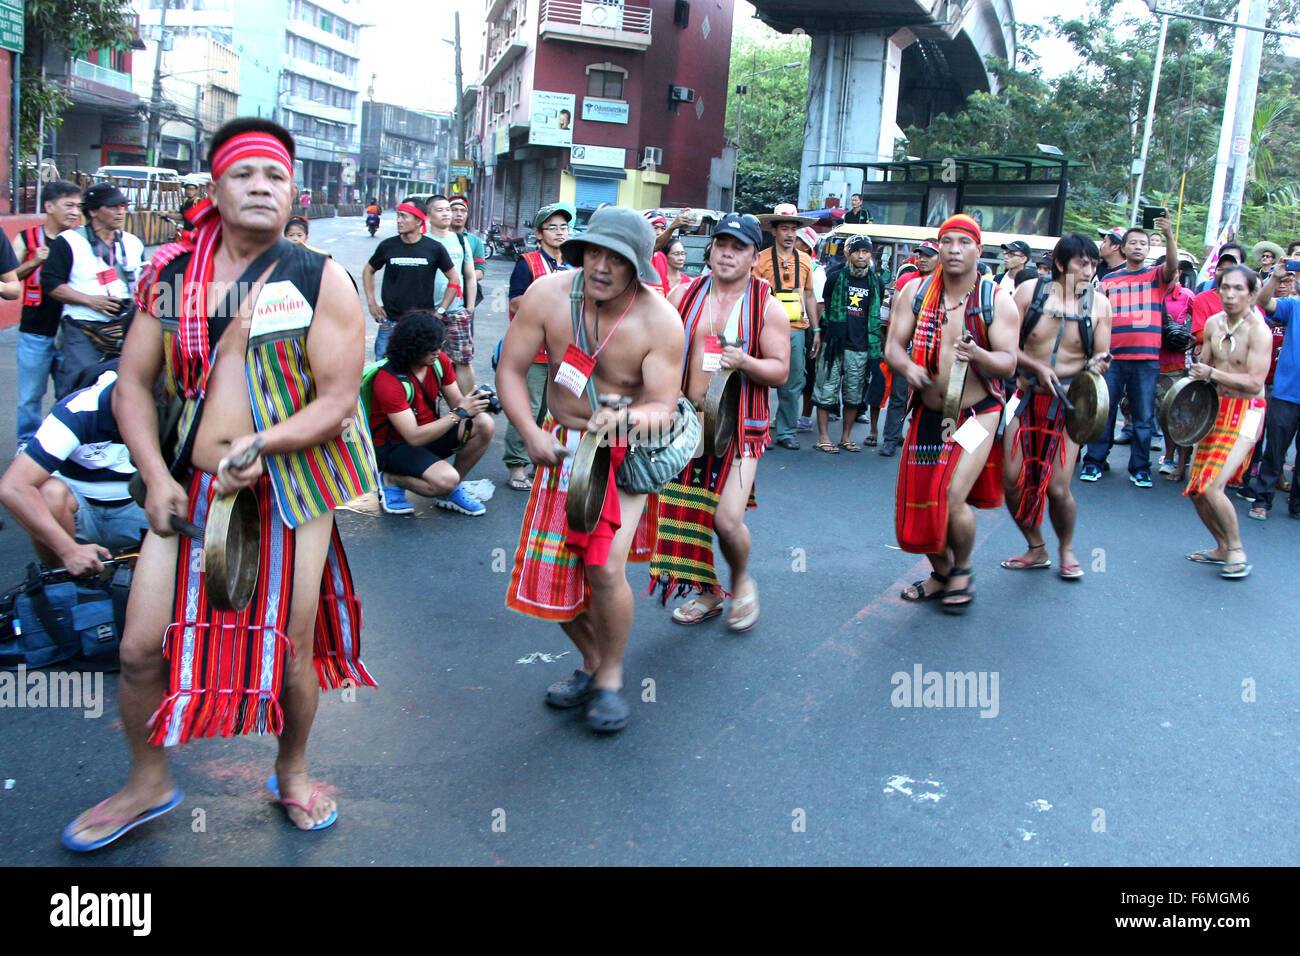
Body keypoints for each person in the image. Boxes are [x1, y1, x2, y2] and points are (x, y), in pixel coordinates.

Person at [60, 118, 380, 851]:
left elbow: (336, 402)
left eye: (276, 176)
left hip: (290, 491)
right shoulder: (174, 278)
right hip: (189, 486)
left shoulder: (316, 276)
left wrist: (267, 443)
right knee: (141, 647)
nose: (262, 187)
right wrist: (151, 476)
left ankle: (292, 772)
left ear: (294, 192)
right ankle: (148, 781)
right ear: (216, 190)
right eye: (245, 175)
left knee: (293, 647)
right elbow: (132, 386)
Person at [498, 205, 684, 734]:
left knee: (604, 569)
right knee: (553, 576)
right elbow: (510, 370)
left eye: (616, 258)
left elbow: (662, 407)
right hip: (561, 444)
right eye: (593, 252)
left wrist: (622, 418)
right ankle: (591, 661)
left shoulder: (659, 320)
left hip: (624, 451)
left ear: (639, 266)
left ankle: (610, 679)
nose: (601, 266)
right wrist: (532, 434)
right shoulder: (548, 295)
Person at [652, 213, 789, 630]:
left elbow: (780, 370)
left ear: (753, 256)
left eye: (739, 247)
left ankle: (741, 579)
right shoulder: (684, 293)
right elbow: (664, 351)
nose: (727, 253)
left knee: (726, 519)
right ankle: (708, 591)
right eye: (722, 245)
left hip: (741, 429)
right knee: (683, 516)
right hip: (687, 423)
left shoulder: (768, 306)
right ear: (710, 250)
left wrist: (745, 361)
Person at [885, 214, 1018, 613]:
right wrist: (907, 367)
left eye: (964, 242)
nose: (954, 249)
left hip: (978, 415)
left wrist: (978, 354)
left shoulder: (996, 300)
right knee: (917, 502)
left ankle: (962, 569)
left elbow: (1009, 364)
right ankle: (940, 572)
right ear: (938, 247)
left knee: (949, 495)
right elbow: (893, 346)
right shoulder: (915, 291)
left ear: (979, 249)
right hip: (928, 413)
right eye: (947, 242)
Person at [1001, 234, 1113, 580]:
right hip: (1025, 398)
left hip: (1069, 405)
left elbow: (1101, 356)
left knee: (1058, 488)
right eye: (1083, 263)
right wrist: (1036, 368)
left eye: (1094, 264)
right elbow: (1005, 346)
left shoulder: (1100, 305)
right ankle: (1036, 548)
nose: (1090, 270)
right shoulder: (1029, 293)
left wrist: (1098, 365)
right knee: (1011, 481)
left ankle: (1066, 548)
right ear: (1061, 264)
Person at [0, 366, 149, 572]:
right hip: (80, 510)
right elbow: (13, 487)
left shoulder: (163, 408)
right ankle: (63, 576)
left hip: (137, 508)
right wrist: (67, 550)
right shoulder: (80, 409)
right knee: (49, 493)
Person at [1183, 266, 1271, 580]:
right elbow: (1204, 365)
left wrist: (1212, 374)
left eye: (1238, 289)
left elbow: (1254, 381)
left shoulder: (1259, 330)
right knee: (1197, 488)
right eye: (1225, 288)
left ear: (1251, 292)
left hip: (1248, 411)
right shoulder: (1212, 323)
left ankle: (1236, 550)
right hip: (1215, 407)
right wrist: (1196, 372)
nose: (1230, 295)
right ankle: (1221, 546)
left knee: (1213, 486)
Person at [1079, 216, 1177, 488]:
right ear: (1123, 248)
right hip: (1111, 358)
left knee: (1143, 417)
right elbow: (1095, 316)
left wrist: (1168, 235)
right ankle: (1094, 461)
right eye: (1132, 242)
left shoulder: (1157, 276)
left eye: (1143, 243)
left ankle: (1140, 468)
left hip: (1146, 360)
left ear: (1149, 250)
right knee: (1105, 412)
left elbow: (1172, 265)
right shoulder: (1108, 280)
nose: (1137, 247)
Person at [368, 311, 493, 516]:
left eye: (440, 344)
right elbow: (414, 437)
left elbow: (457, 403)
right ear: (412, 348)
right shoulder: (388, 381)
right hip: (394, 447)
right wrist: (460, 412)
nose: (438, 351)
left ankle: (449, 491)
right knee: (446, 479)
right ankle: (391, 479)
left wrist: (476, 402)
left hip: (428, 435)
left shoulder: (438, 361)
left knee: (483, 423)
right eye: (431, 347)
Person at [42, 182, 145, 400]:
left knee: (127, 389)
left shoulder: (133, 243)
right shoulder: (69, 242)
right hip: (82, 328)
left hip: (125, 328)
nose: (120, 211)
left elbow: (144, 283)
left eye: (123, 206)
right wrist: (90, 301)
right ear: (92, 211)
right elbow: (50, 284)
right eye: (113, 206)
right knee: (76, 389)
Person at [502, 203, 575, 492]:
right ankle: (517, 465)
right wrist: (548, 300)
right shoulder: (527, 262)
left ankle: (540, 467)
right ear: (539, 234)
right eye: (552, 227)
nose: (559, 232)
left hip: (563, 354)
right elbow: (515, 302)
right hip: (534, 351)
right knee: (528, 408)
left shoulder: (572, 264)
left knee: (552, 409)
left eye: (564, 227)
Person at [11, 181, 80, 450]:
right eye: (69, 205)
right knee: (30, 395)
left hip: (72, 332)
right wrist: (34, 261)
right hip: (35, 331)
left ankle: (58, 447)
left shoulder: (81, 240)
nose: (75, 212)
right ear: (49, 207)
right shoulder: (27, 239)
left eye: (78, 206)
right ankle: (26, 443)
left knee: (70, 394)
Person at [753, 203, 818, 450]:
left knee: (793, 382)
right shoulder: (760, 259)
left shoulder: (805, 260)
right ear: (774, 231)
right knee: (760, 380)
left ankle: (786, 432)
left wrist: (817, 329)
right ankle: (758, 429)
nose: (790, 234)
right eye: (785, 229)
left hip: (796, 328)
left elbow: (810, 295)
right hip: (765, 327)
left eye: (794, 229)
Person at [362, 197, 459, 361]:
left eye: (404, 216)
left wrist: (440, 311)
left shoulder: (434, 248)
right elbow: (368, 271)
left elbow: (454, 279)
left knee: (418, 371)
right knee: (382, 371)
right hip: (390, 322)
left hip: (421, 325)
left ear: (418, 220)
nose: (399, 221)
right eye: (398, 216)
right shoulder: (388, 246)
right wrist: (372, 302)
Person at [811, 235, 883, 453]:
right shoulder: (834, 277)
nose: (861, 255)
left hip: (861, 347)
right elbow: (823, 307)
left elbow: (876, 314)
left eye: (866, 251)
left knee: (854, 396)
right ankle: (823, 437)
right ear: (849, 253)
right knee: (826, 391)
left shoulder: (876, 281)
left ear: (871, 254)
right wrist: (820, 335)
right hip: (833, 344)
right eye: (857, 251)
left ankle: (846, 437)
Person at [1242, 262, 1300, 519]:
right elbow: (1266, 303)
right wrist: (1275, 278)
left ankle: (1297, 505)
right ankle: (1262, 501)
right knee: (1274, 450)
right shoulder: (1294, 307)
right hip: (1287, 392)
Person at [878, 240, 940, 457]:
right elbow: (894, 315)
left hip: (934, 352)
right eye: (920, 254)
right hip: (906, 348)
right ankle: (890, 439)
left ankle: (935, 445)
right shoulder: (906, 280)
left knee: (935, 400)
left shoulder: (946, 283)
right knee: (898, 396)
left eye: (929, 255)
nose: (922, 259)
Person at [426, 194, 480, 393]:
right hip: (429, 311)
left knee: (463, 360)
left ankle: (468, 410)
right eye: (440, 210)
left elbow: (470, 276)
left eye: (448, 209)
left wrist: (470, 307)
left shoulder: (460, 240)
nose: (447, 213)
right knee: (425, 361)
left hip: (457, 311)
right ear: (428, 215)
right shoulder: (423, 240)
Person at [1158, 266, 1195, 480]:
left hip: (1177, 365)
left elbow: (1199, 328)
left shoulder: (1187, 296)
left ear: (1178, 274)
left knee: (1180, 416)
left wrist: (1188, 343)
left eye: (1172, 274)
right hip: (1152, 362)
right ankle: (1168, 456)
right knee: (1161, 417)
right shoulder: (1152, 293)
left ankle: (1180, 464)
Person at [448, 197, 486, 306]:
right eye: (454, 210)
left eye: (463, 210)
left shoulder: (474, 241)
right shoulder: (439, 239)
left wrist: (458, 279)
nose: (459, 214)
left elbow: (480, 272)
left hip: (465, 296)